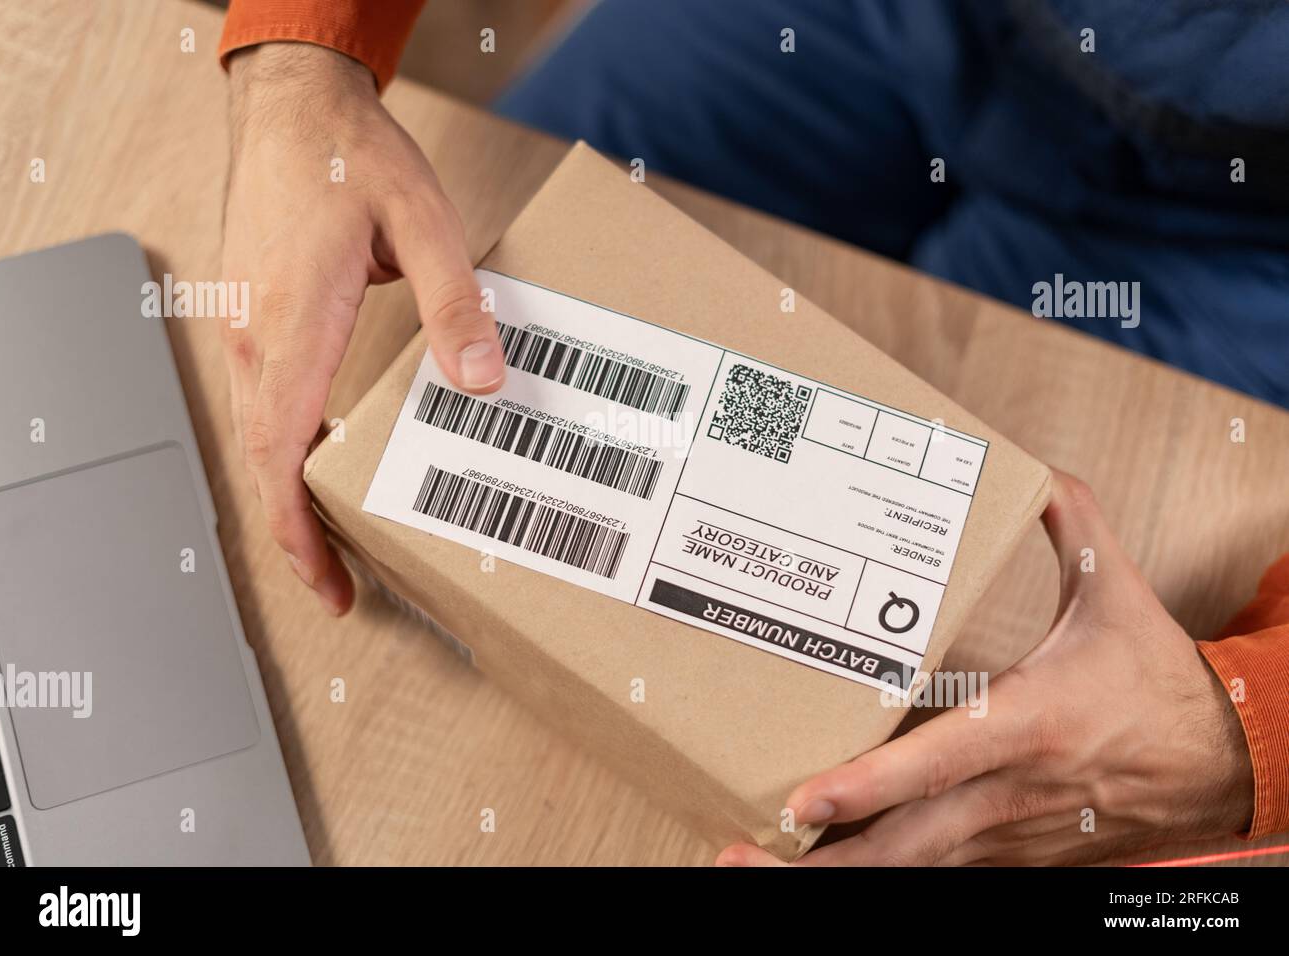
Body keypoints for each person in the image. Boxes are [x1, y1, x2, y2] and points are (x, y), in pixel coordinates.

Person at [215, 0, 1289, 863]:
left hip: (1252, 234)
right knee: (496, 213)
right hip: (890, 22)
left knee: (931, 713)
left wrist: (1236, 727)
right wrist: (302, 65)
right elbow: (309, 73)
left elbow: (1216, 724)